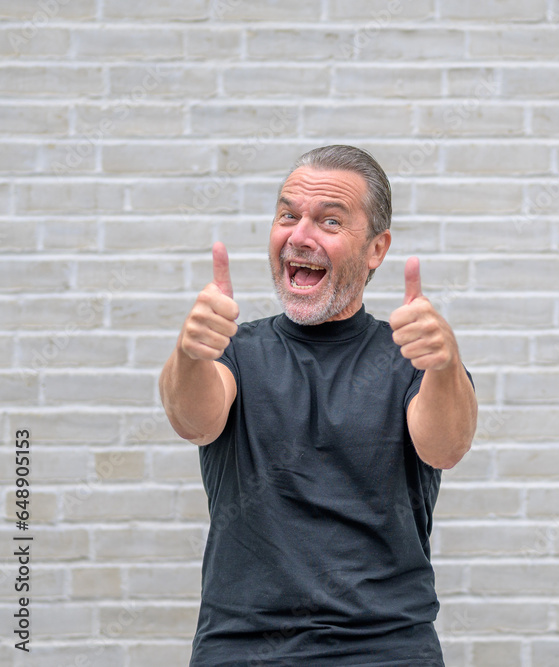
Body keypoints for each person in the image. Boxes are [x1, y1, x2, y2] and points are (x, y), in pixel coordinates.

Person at [158, 145, 477, 666]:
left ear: (376, 250)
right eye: (288, 215)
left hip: (387, 649)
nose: (300, 235)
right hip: (242, 649)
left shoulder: (412, 357)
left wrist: (443, 365)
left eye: (329, 220)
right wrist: (190, 353)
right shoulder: (235, 352)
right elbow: (193, 419)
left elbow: (445, 447)